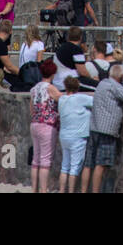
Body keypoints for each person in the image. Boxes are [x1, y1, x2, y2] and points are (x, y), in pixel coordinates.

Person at [85, 63, 123, 193]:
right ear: (121, 76)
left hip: (94, 127)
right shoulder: (115, 87)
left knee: (88, 164)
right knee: (100, 165)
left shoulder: (102, 84)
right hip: (107, 131)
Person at [28, 58, 61, 192]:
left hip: (35, 123)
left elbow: (31, 108)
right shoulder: (51, 88)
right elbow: (62, 99)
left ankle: (34, 189)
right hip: (47, 124)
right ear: (53, 74)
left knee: (36, 160)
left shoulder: (34, 89)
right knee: (45, 160)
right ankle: (43, 189)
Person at [57, 77, 94, 192]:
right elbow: (95, 101)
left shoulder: (62, 99)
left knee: (65, 166)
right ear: (77, 87)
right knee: (74, 167)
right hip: (78, 137)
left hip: (64, 136)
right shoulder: (81, 98)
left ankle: (62, 190)